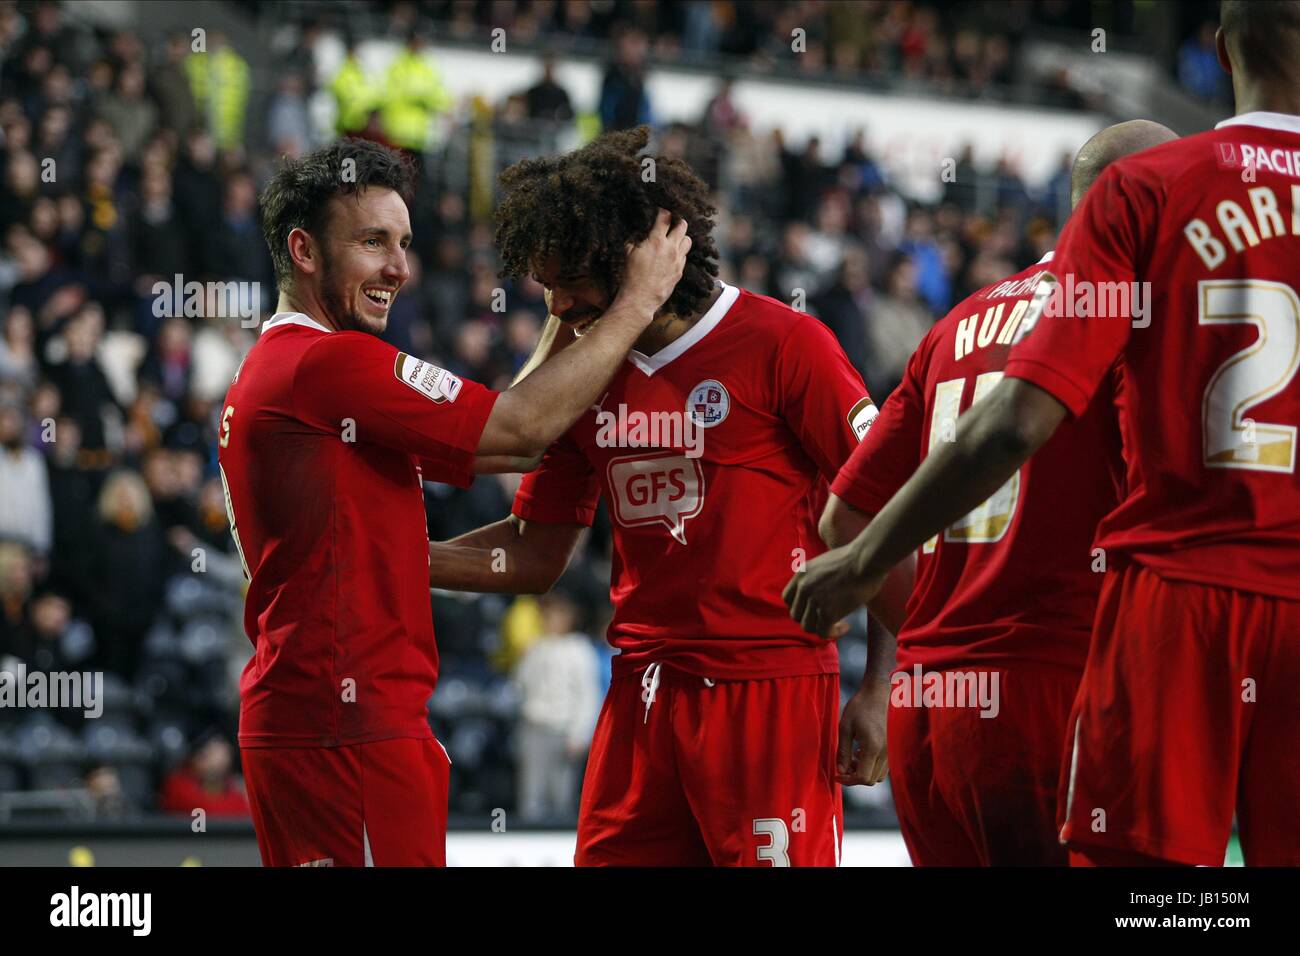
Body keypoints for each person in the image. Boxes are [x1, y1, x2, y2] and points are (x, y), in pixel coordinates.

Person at [785, 0, 1300, 867]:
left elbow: (1003, 429)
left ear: (1217, 50)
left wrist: (879, 575)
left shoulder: (965, 319)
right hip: (1078, 656)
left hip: (1045, 647)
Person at [427, 127, 902, 866]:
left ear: (631, 257)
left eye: (567, 281)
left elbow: (891, 516)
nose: (555, 302)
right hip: (640, 693)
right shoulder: (585, 378)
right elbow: (532, 553)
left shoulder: (787, 345)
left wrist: (881, 688)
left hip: (766, 691)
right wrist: (392, 553)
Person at [220, 138, 689, 867]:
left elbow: (507, 445)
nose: (399, 268)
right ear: (304, 250)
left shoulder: (277, 367)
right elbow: (521, 430)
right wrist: (634, 303)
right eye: (373, 242)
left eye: (403, 243)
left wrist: (564, 318)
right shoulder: (329, 363)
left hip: (318, 721)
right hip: (348, 731)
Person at [813, 121, 1176, 866]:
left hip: (930, 701)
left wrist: (946, 632)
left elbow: (844, 517)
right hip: (1058, 691)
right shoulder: (1129, 321)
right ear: (1148, 203)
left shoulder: (957, 323)